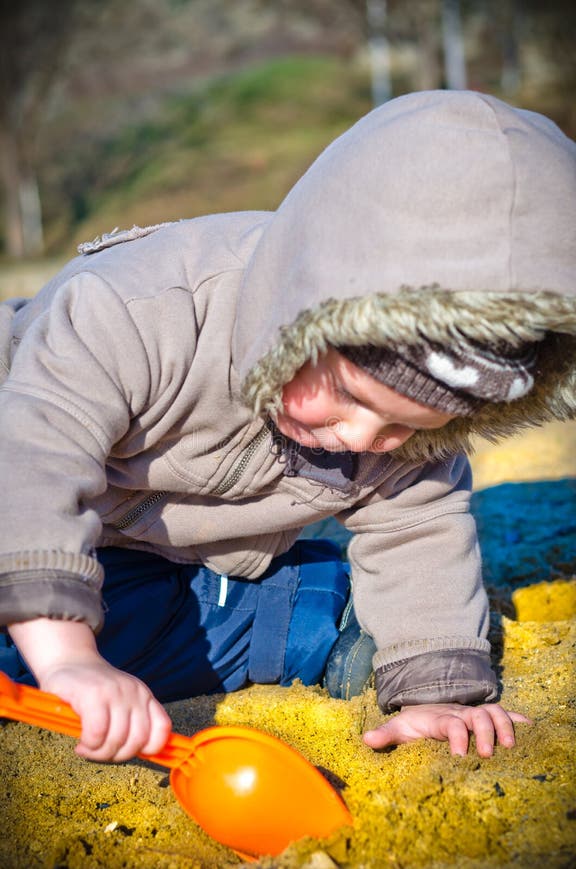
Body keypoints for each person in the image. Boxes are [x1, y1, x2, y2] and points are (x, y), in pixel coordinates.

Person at [1, 89, 575, 765]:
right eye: (342, 395)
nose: (362, 439)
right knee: (40, 653)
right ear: (297, 315)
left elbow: (418, 520)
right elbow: (31, 458)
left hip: (153, 555)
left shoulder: (394, 432)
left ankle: (306, 608)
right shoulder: (139, 312)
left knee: (117, 652)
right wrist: (68, 656)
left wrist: (432, 686)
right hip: (26, 507)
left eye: (402, 427)